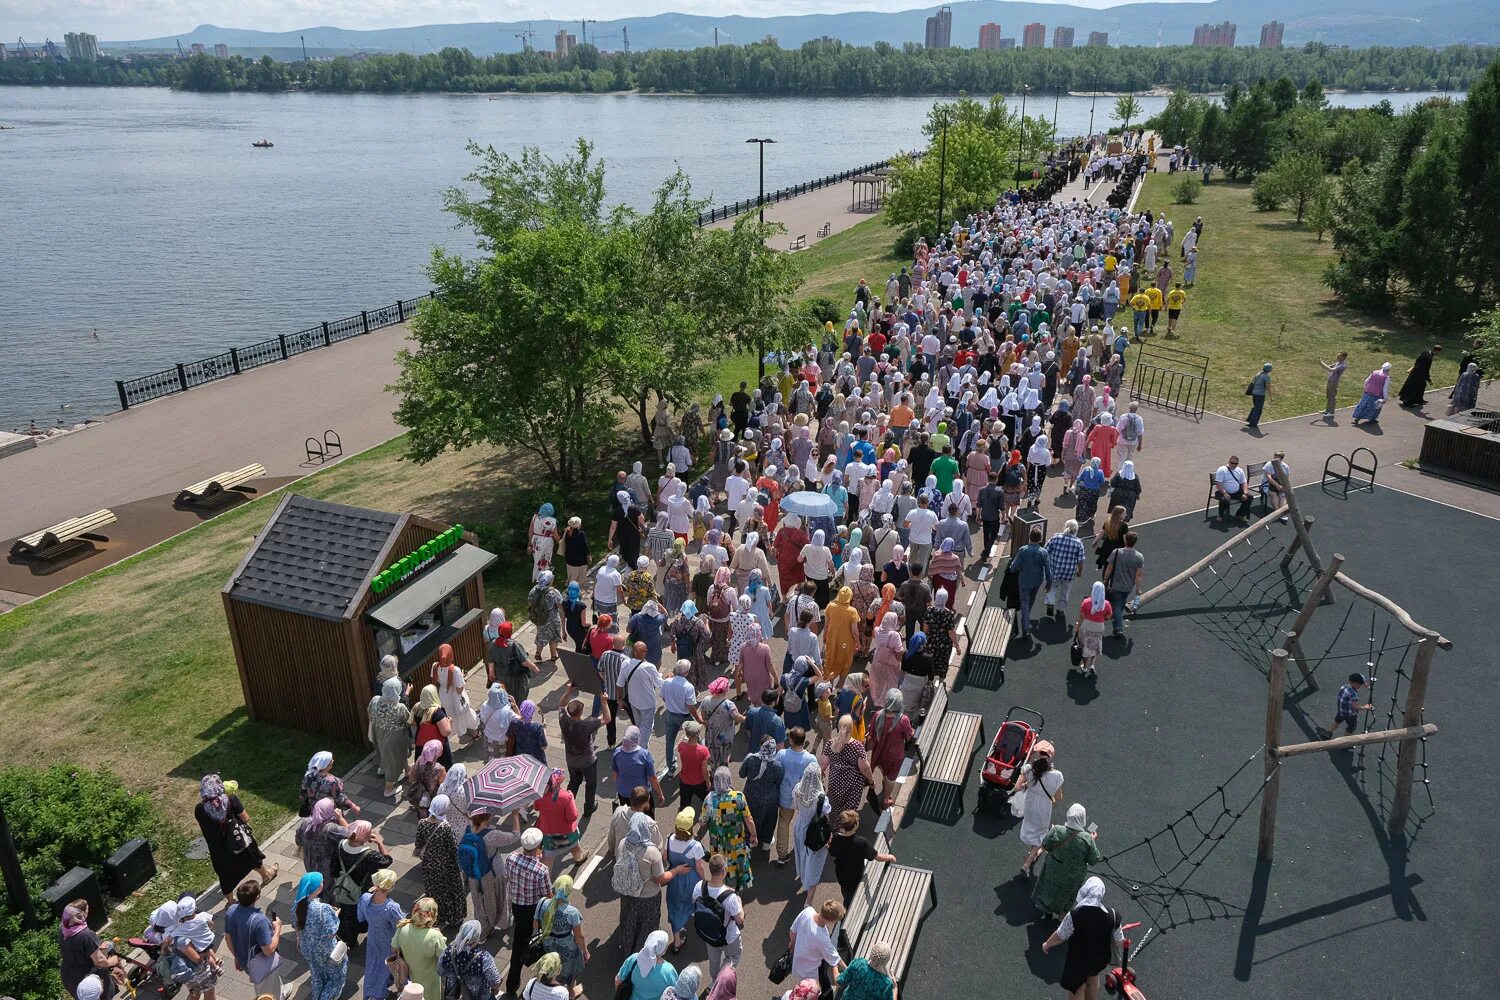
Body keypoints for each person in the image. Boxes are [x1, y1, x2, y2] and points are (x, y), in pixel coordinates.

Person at [1041, 878, 1124, 1000]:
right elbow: (1119, 941)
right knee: (1093, 977)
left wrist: (1047, 944)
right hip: (1099, 959)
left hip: (1079, 960)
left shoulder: (1075, 915)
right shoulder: (1113, 915)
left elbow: (1061, 935)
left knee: (1076, 987)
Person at [196, 774, 277, 897]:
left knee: (224, 874)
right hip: (237, 841)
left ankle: (230, 900)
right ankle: (266, 876)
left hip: (218, 848)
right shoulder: (230, 799)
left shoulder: (200, 809)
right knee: (251, 857)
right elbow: (245, 818)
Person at [614, 815, 678, 957]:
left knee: (629, 922)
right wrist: (675, 871)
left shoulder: (623, 843)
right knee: (647, 927)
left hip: (627, 893)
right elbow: (659, 879)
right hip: (648, 898)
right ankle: (641, 956)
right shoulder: (652, 852)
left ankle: (627, 951)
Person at [1032, 802, 1105, 918]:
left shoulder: (1056, 830)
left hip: (1053, 868)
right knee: (1067, 894)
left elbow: (1045, 845)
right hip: (1073, 875)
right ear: (1082, 819)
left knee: (1049, 886)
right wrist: (1093, 840)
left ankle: (1046, 908)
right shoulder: (1087, 839)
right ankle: (1062, 915)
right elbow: (1094, 860)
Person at [504, 828, 553, 994]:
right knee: (534, 941)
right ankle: (537, 975)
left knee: (520, 939)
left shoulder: (511, 858)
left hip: (516, 905)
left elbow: (508, 876)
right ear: (539, 845)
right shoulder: (541, 870)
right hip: (533, 909)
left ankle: (512, 983)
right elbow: (548, 894)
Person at [225, 879, 289, 1000]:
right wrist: (278, 929)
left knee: (272, 981)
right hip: (261, 964)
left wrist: (237, 957)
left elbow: (228, 938)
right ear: (257, 897)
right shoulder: (260, 921)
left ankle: (280, 992)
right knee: (265, 991)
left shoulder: (231, 910)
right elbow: (269, 950)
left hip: (245, 959)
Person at [332, 820, 393, 945]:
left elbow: (334, 868)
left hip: (344, 888)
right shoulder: (369, 855)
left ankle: (348, 939)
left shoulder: (340, 845)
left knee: (347, 915)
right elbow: (387, 860)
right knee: (362, 913)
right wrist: (379, 842)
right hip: (362, 890)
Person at [414, 795, 466, 928]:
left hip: (428, 863)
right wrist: (459, 866)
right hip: (445, 866)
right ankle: (453, 917)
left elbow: (419, 842)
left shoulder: (422, 823)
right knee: (450, 892)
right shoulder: (445, 827)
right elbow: (453, 849)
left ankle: (436, 915)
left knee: (433, 892)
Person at [294, 873, 348, 1000]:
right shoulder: (323, 909)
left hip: (307, 948)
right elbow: (332, 931)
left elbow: (296, 926)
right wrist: (335, 914)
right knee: (335, 977)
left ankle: (316, 995)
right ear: (317, 888)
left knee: (317, 974)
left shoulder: (297, 906)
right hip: (325, 950)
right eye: (321, 882)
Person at [704, 766, 757, 890]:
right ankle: (737, 890)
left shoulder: (710, 799)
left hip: (718, 843)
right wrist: (753, 835)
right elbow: (748, 819)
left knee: (719, 866)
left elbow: (702, 821)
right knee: (737, 864)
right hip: (736, 841)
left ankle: (720, 888)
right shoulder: (738, 797)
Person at [829, 811, 898, 907]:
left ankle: (847, 904)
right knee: (851, 897)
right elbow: (878, 857)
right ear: (856, 825)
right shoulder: (861, 843)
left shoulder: (836, 837)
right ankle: (848, 910)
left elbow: (832, 852)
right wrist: (891, 857)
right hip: (855, 875)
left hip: (841, 873)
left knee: (846, 892)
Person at [663, 808, 709, 952]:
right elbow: (699, 867)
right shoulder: (695, 846)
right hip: (691, 881)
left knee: (675, 906)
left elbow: (665, 857)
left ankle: (677, 941)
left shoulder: (669, 839)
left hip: (675, 879)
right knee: (694, 902)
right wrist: (705, 881)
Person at [534, 876, 588, 996]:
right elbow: (579, 937)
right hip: (567, 948)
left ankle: (549, 989)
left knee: (552, 966)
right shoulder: (572, 912)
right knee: (569, 970)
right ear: (568, 891)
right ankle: (570, 992)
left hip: (548, 944)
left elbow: (535, 925)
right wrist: (585, 952)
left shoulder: (542, 902)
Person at [354, 869, 403, 1000]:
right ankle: (378, 995)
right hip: (389, 941)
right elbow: (400, 926)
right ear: (390, 887)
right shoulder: (392, 908)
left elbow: (361, 917)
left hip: (373, 938)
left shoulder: (365, 899)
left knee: (372, 966)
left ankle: (370, 993)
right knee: (386, 968)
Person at [59, 901, 122, 1000]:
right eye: (87, 909)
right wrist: (112, 961)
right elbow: (100, 961)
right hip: (88, 976)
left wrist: (94, 949)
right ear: (82, 914)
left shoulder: (63, 928)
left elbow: (75, 948)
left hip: (70, 976)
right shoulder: (86, 935)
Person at [1017, 751, 1065, 877]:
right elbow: (1059, 797)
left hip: (1030, 804)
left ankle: (1032, 853)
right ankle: (1027, 863)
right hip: (1043, 807)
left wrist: (1028, 785)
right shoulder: (1057, 775)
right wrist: (1049, 799)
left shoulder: (1028, 769)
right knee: (1042, 835)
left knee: (1032, 828)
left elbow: (1017, 787)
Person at [560, 692, 609, 816]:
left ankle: (566, 806)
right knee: (591, 784)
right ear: (581, 713)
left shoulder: (563, 720)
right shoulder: (586, 726)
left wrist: (568, 691)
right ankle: (588, 808)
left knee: (574, 782)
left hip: (571, 761)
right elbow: (607, 718)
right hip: (588, 762)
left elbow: (561, 705)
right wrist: (604, 702)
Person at [864, 689, 913, 808]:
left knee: (882, 768)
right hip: (894, 756)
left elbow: (871, 733)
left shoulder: (877, 715)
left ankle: (883, 780)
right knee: (891, 778)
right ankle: (886, 800)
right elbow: (908, 736)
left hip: (879, 751)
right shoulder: (903, 720)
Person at [391, 898, 447, 1000]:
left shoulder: (403, 927)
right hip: (430, 982)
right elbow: (444, 959)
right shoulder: (435, 936)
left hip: (409, 979)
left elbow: (394, 948)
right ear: (432, 916)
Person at [369, 677, 414, 798]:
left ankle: (408, 770)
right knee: (393, 762)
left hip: (378, 733)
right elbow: (409, 721)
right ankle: (388, 789)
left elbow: (370, 713)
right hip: (395, 738)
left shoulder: (375, 700)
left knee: (395, 756)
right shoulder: (400, 707)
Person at [822, 714, 875, 817]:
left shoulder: (831, 743)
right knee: (848, 814)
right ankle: (846, 829)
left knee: (834, 809)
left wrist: (821, 772)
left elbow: (823, 763)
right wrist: (871, 780)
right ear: (851, 729)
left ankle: (835, 826)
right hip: (852, 786)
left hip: (834, 783)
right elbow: (865, 768)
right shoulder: (857, 746)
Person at [788, 899, 846, 993]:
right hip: (811, 971)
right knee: (816, 991)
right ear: (830, 921)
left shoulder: (808, 911)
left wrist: (793, 943)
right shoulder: (822, 938)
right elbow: (835, 959)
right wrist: (849, 969)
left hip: (798, 961)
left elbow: (793, 930)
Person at [438, 920, 501, 1000]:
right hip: (479, 996)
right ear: (477, 937)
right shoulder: (484, 957)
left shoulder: (448, 951)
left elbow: (440, 971)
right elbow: (495, 981)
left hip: (454, 995)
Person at [1012, 527, 1053, 645]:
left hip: (1024, 580)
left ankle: (1026, 628)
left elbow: (1014, 566)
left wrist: (1013, 569)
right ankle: (1026, 617)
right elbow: (1048, 570)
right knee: (1031, 600)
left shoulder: (1023, 550)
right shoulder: (1044, 552)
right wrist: (1049, 583)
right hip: (1037, 581)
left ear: (1029, 537)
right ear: (1040, 539)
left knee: (1024, 602)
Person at [537, 768, 587, 865]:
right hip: (567, 833)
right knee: (574, 845)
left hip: (549, 834)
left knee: (548, 858)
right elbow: (572, 817)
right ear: (560, 781)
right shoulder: (567, 796)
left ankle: (546, 878)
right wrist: (572, 797)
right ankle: (579, 858)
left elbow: (536, 807)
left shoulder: (541, 795)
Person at [295, 797, 352, 881]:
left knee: (316, 887)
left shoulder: (306, 823)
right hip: (327, 870)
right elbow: (351, 835)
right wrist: (340, 818)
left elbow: (298, 840)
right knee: (326, 890)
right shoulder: (331, 829)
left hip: (310, 865)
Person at [613, 725, 667, 813]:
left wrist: (620, 787)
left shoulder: (617, 752)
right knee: (647, 818)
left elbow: (615, 775)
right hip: (641, 796)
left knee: (627, 818)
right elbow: (652, 778)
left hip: (623, 794)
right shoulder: (644, 755)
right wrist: (660, 794)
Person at [1102, 532, 1144, 639]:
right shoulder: (1139, 557)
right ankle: (1117, 622)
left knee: (1116, 605)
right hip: (1128, 586)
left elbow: (1109, 568)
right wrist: (1138, 589)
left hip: (1116, 585)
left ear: (1125, 540)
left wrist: (1105, 580)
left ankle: (1118, 628)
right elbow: (1138, 574)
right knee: (1120, 605)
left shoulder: (1116, 552)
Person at [1044, 521, 1086, 622]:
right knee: (1065, 591)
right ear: (1076, 530)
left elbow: (1045, 550)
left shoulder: (1056, 537)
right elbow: (1080, 560)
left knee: (1052, 586)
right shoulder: (1078, 542)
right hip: (1069, 572)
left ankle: (1050, 602)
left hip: (1055, 569)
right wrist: (1080, 571)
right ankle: (1061, 609)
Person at [615, 932, 677, 1000]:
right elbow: (676, 993)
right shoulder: (669, 971)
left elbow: (618, 981)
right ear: (663, 950)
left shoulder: (634, 959)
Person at [299, 750, 358, 817]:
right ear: (327, 765)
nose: (333, 760)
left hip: (315, 810)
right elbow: (339, 798)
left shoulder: (308, 776)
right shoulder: (332, 781)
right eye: (331, 760)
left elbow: (302, 794)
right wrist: (353, 806)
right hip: (330, 812)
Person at [1321, 672, 1374, 739]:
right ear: (1355, 683)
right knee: (1351, 727)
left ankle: (1328, 732)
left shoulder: (1344, 687)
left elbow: (1359, 679)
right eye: (1359, 685)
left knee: (1337, 721)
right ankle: (1345, 740)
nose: (1360, 686)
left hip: (1341, 710)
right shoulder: (1353, 694)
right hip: (1350, 714)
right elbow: (1355, 707)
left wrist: (1364, 684)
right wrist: (1365, 707)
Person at [1213, 455, 1252, 520]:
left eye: (1235, 463)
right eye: (1232, 463)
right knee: (1224, 500)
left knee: (1249, 497)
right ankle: (1220, 514)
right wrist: (1225, 493)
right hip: (1222, 492)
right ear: (1229, 462)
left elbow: (1244, 483)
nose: (1233, 465)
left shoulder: (1240, 470)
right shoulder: (1222, 470)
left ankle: (1240, 514)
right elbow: (1218, 483)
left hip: (1236, 492)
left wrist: (1245, 493)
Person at [1260, 452, 1291, 522]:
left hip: (1280, 484)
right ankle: (1278, 512)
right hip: (1267, 484)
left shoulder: (1285, 466)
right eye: (1274, 457)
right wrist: (1277, 485)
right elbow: (1269, 478)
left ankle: (1281, 512)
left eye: (1276, 458)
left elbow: (1286, 478)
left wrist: (1283, 486)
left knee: (1283, 495)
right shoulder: (1269, 464)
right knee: (1273, 494)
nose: (1274, 459)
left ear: (1281, 459)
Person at [562, 517, 591, 588]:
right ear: (579, 525)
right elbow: (585, 546)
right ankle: (578, 591)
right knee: (581, 579)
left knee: (572, 578)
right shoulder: (582, 534)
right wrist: (589, 556)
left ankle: (570, 591)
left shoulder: (566, 533)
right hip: (581, 561)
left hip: (570, 561)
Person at [1320, 351, 1349, 417]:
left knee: (1332, 397)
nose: (1337, 357)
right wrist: (1321, 364)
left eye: (1339, 356)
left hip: (1333, 383)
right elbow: (1328, 367)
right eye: (1337, 356)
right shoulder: (1337, 363)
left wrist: (1322, 363)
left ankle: (1331, 412)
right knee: (1328, 396)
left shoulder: (1342, 366)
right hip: (1330, 381)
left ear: (1343, 357)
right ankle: (1327, 410)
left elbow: (1330, 369)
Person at [1246, 362, 1272, 428]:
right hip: (1260, 394)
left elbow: (1253, 381)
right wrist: (1270, 396)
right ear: (1269, 370)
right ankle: (1253, 423)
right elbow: (1268, 387)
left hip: (1254, 392)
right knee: (1258, 409)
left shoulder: (1258, 373)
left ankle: (1250, 419)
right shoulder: (1267, 376)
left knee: (1255, 407)